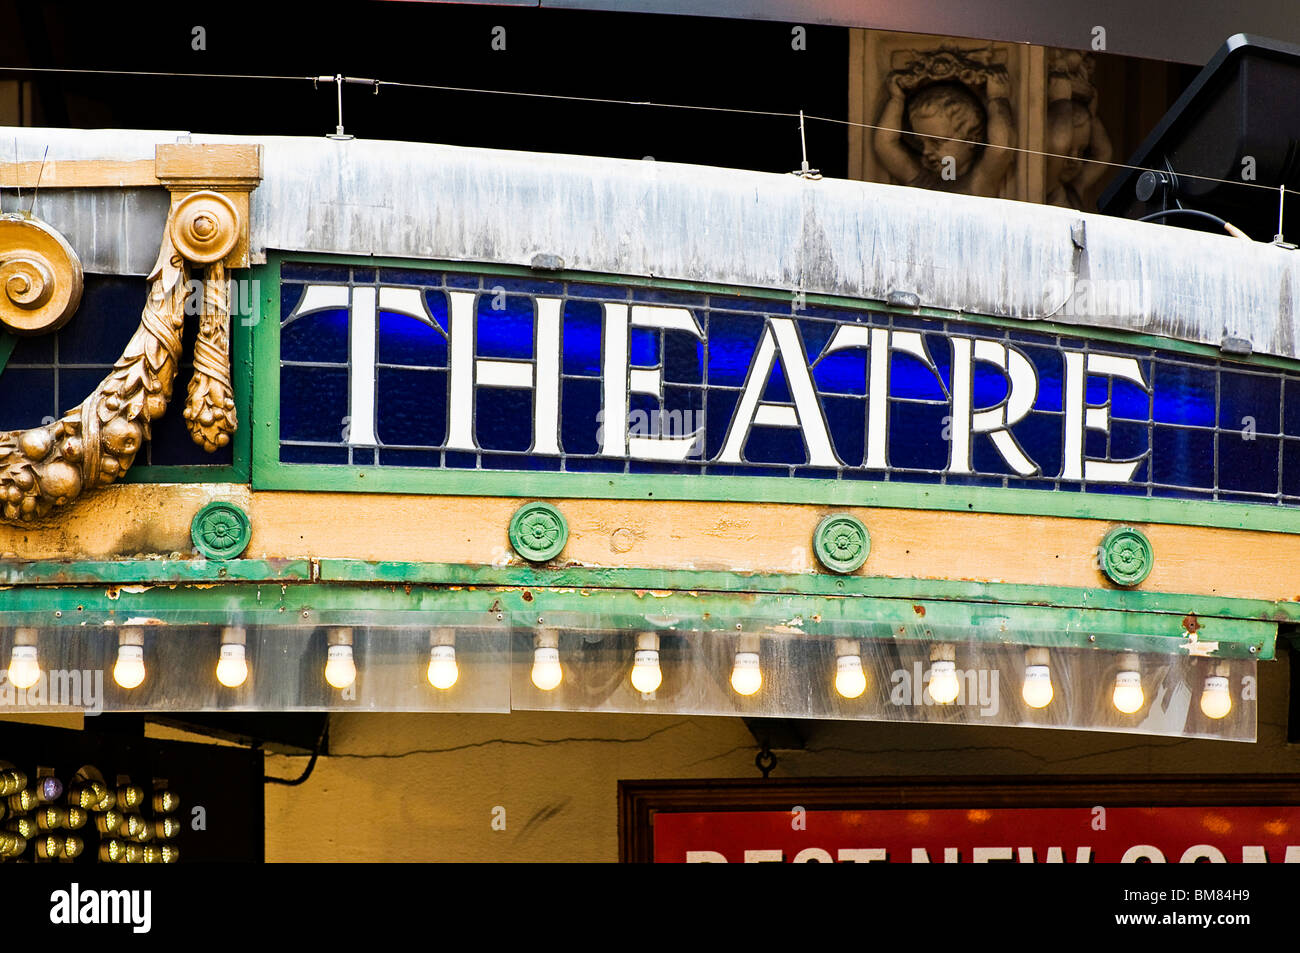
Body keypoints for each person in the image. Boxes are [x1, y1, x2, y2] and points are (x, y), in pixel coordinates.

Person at [873, 67, 1016, 198]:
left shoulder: (977, 182)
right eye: (921, 143)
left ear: (971, 139)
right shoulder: (922, 181)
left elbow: (1001, 148)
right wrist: (896, 100)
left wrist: (997, 99)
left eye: (937, 142)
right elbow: (885, 144)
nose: (926, 151)